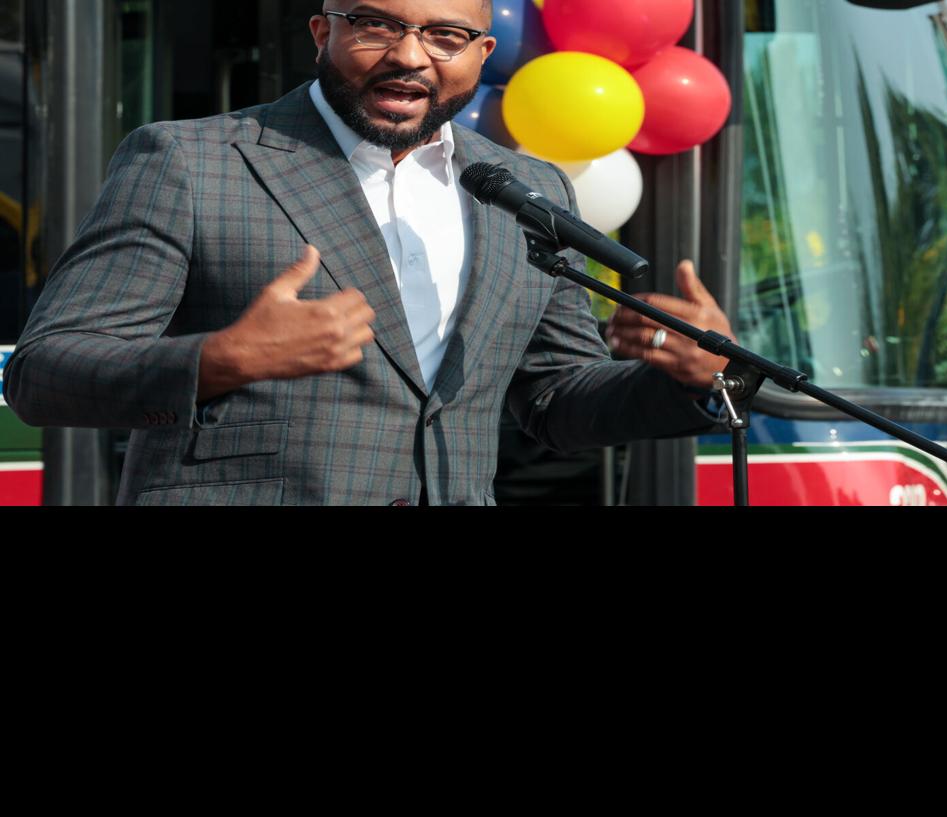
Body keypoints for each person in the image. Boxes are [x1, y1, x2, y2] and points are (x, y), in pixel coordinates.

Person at [2, 0, 731, 505]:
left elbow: (552, 398)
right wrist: (222, 359)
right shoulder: (190, 160)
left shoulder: (524, 188)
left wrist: (686, 378)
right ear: (322, 31)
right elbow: (43, 375)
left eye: (446, 36)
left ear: (481, 53)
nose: (409, 57)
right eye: (377, 26)